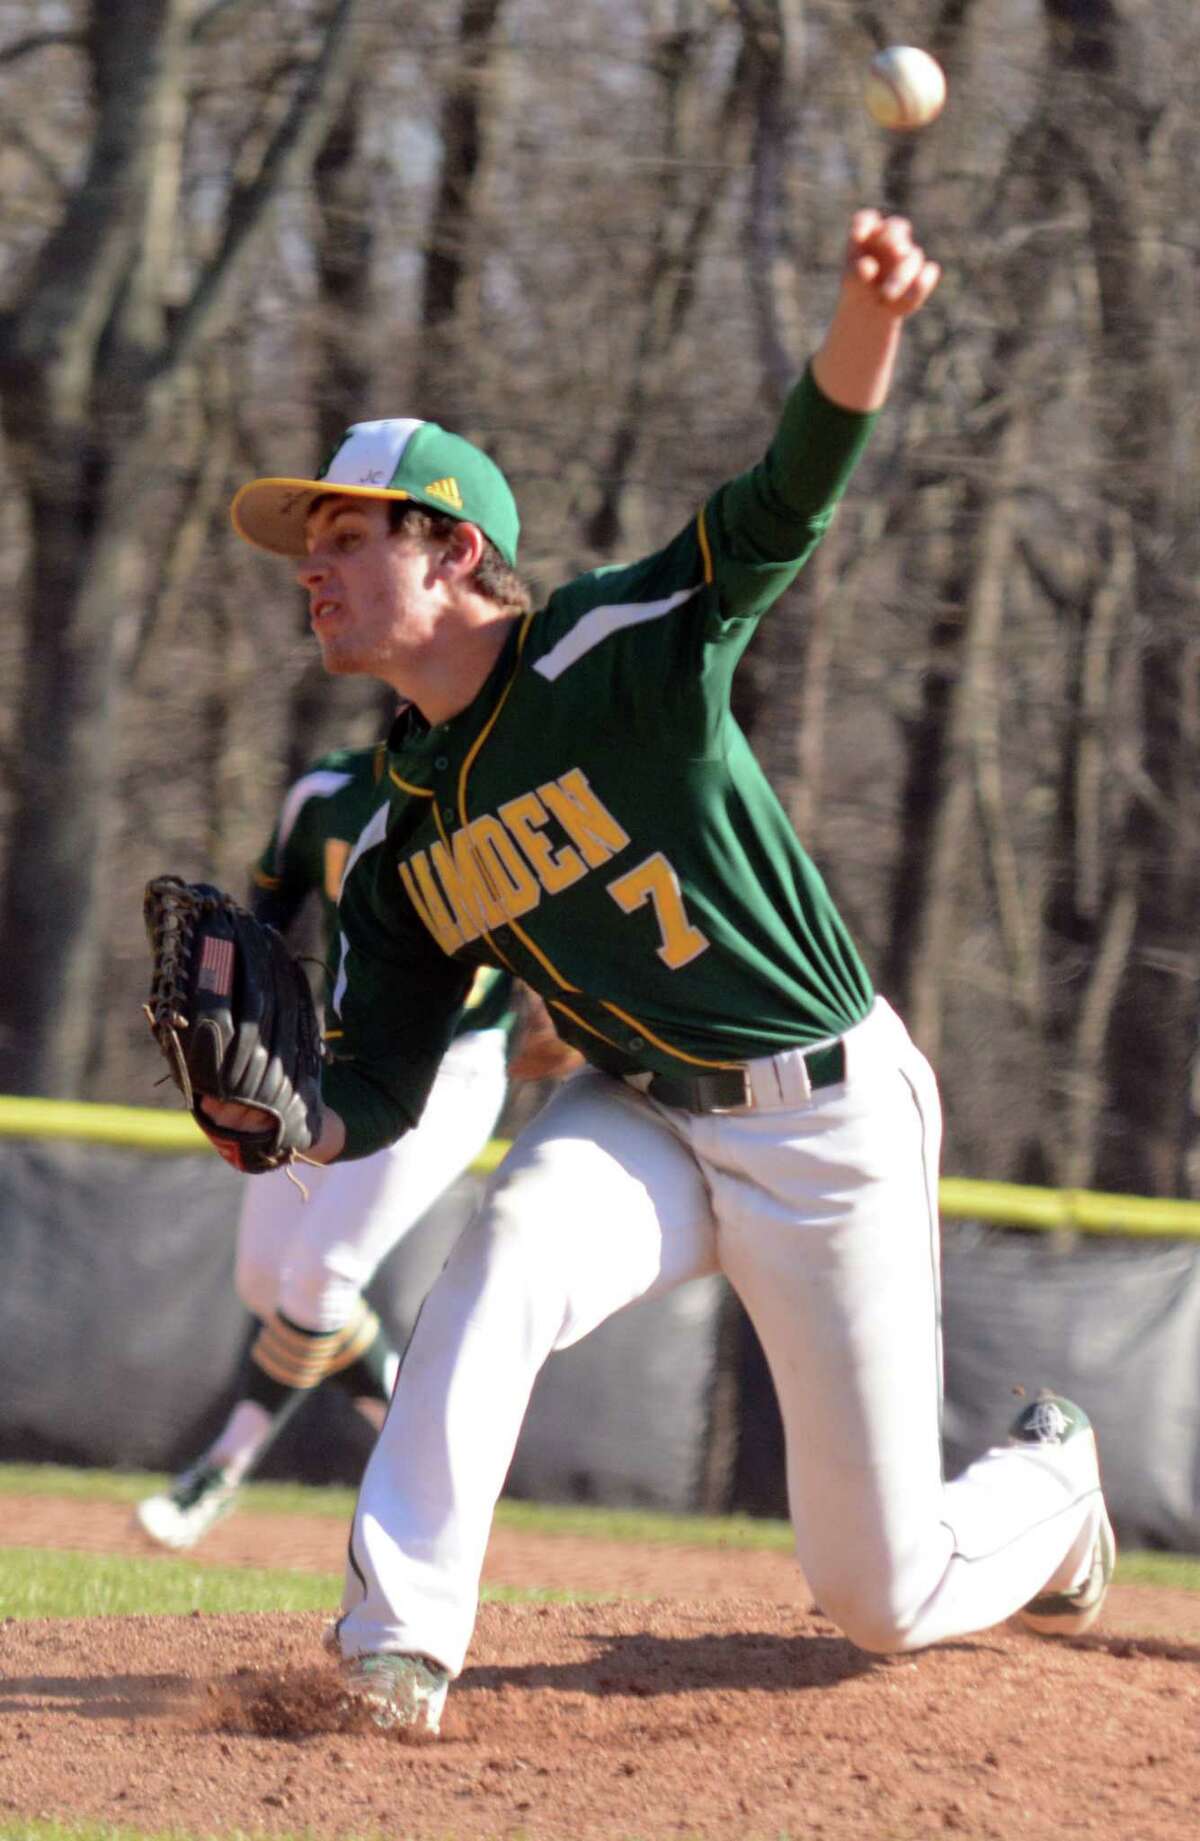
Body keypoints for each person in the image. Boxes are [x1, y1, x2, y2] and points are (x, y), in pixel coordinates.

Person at [211, 209, 1115, 1733]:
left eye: (350, 536)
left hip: (825, 1122)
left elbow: (784, 499)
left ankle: (1052, 1484)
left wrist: (868, 320)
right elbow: (377, 1077)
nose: (319, 571)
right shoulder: (404, 835)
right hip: (643, 1115)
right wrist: (292, 1125)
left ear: (457, 548)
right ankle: (398, 1648)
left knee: (877, 1594)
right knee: (501, 1256)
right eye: (313, 549)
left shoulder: (609, 653)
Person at [134, 739, 535, 1549]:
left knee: (320, 1275)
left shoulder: (507, 784)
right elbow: (260, 924)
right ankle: (411, 1422)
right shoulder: (327, 790)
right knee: (265, 1281)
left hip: (453, 1068)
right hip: (329, 1058)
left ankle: (220, 1468)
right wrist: (232, 1016)